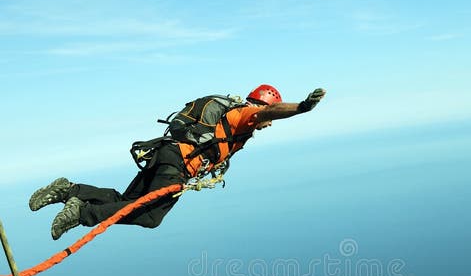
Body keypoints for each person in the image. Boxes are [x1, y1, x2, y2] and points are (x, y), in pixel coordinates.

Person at [29, 84, 326, 240]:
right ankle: (82, 212)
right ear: (263, 106)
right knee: (149, 215)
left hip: (166, 153)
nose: (270, 124)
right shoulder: (244, 114)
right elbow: (266, 114)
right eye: (270, 115)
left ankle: (70, 190)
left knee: (127, 201)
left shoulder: (230, 112)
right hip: (179, 163)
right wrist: (301, 108)